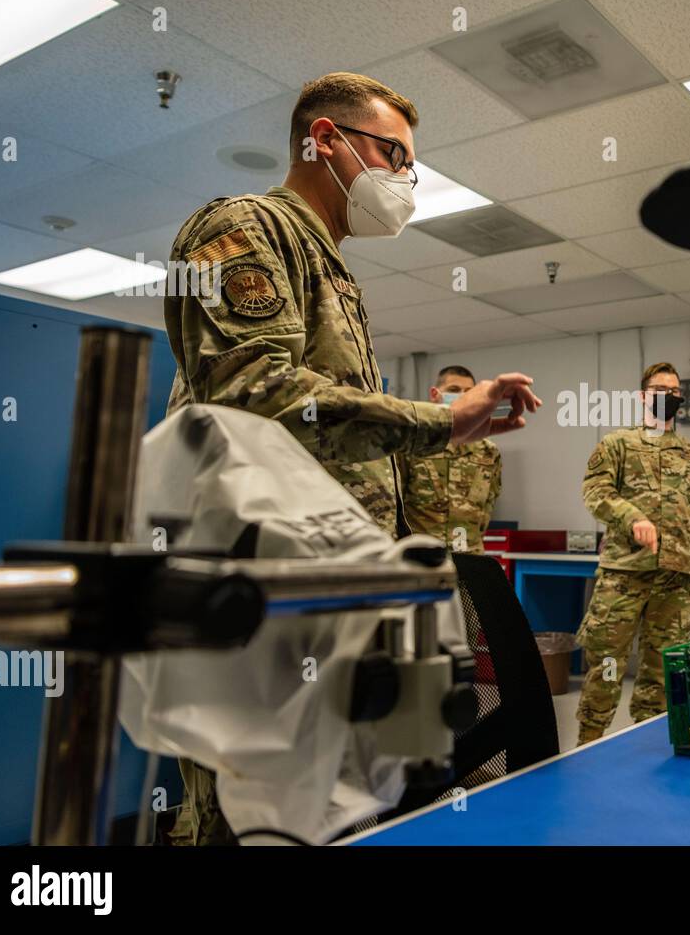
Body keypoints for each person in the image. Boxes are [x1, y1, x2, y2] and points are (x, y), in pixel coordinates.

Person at [161, 72, 541, 845]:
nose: (403, 178)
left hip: (323, 599)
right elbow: (255, 392)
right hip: (253, 596)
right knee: (248, 818)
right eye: (393, 154)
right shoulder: (241, 228)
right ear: (325, 139)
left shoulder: (334, 270)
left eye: (410, 165)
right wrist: (437, 420)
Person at [574, 363, 690, 744]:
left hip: (676, 576)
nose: (669, 395)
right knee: (608, 664)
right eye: (659, 388)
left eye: (675, 390)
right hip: (624, 574)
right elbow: (596, 493)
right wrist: (633, 518)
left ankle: (648, 744)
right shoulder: (617, 445)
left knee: (663, 670)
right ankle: (588, 743)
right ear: (642, 396)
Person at [397, 366, 502, 554]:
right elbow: (397, 502)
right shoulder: (413, 445)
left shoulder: (487, 451)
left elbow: (488, 505)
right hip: (421, 555)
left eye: (469, 392)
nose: (462, 396)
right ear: (435, 394)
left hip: (471, 555)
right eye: (454, 390)